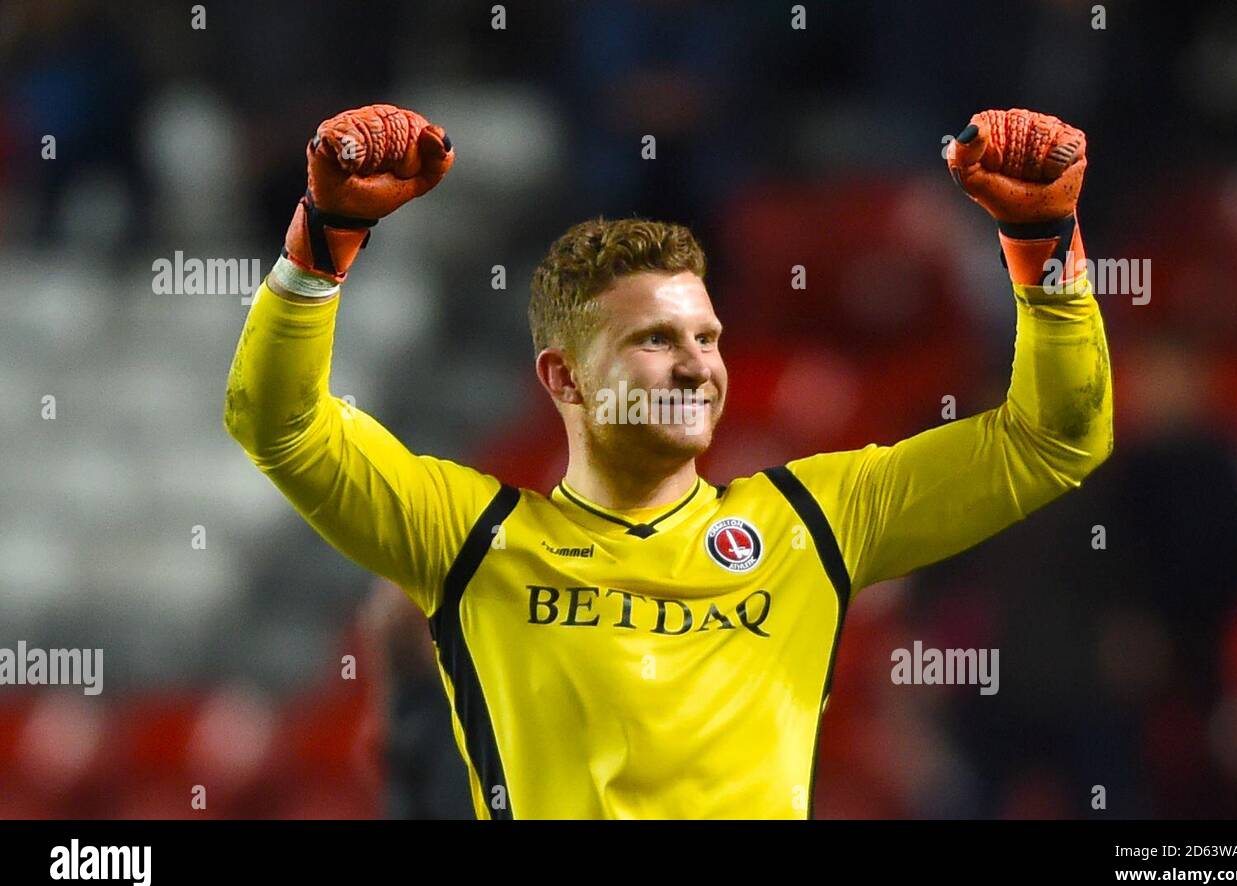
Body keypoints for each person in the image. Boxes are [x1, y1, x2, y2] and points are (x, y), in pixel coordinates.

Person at [224, 104, 1113, 819]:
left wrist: (1046, 253)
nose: (698, 364)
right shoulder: (472, 539)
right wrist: (322, 241)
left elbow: (1056, 437)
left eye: (707, 337)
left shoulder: (814, 522)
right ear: (564, 378)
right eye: (656, 339)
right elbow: (279, 422)